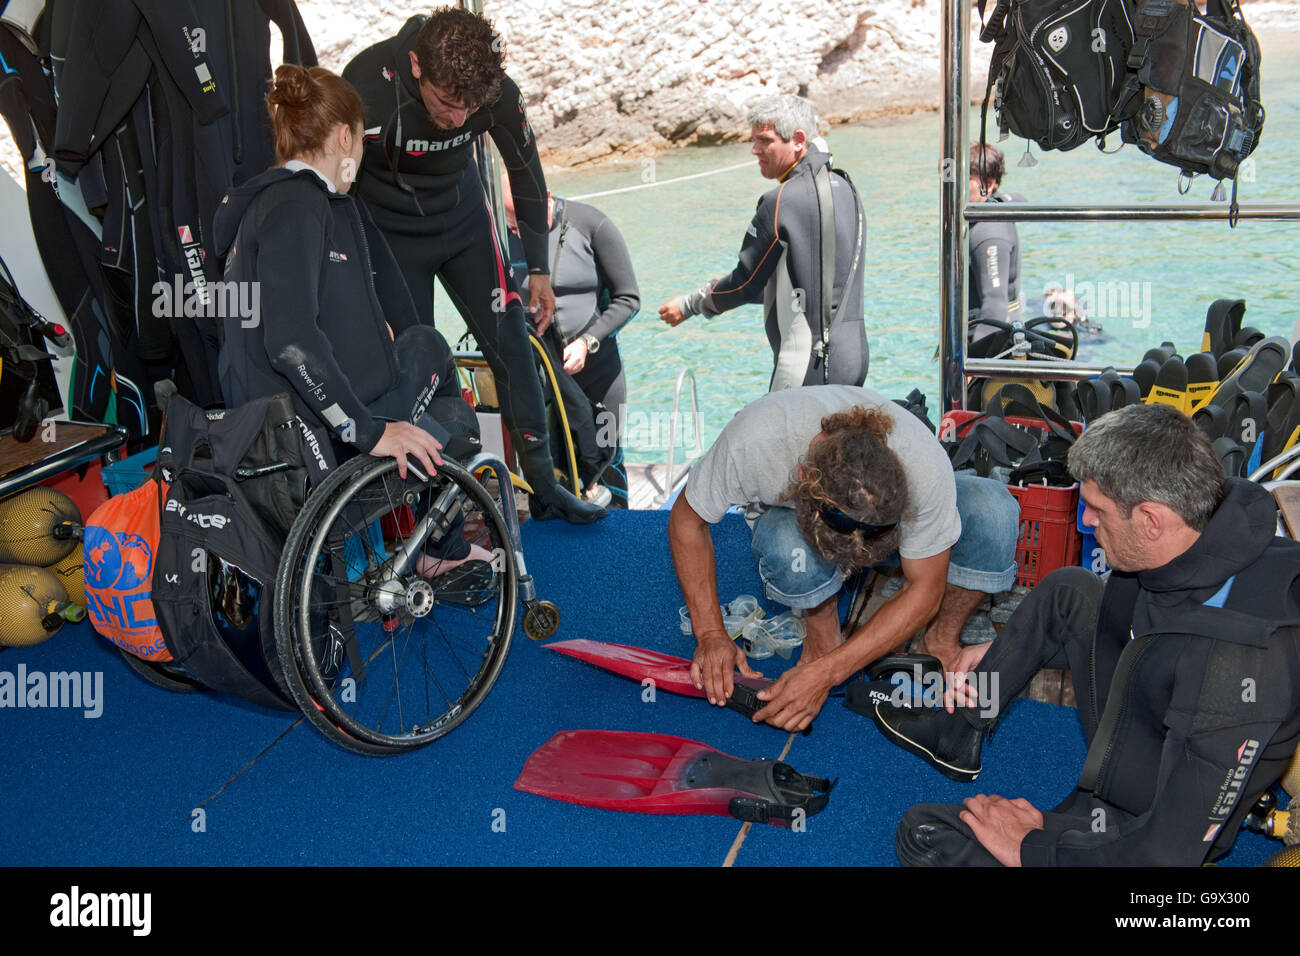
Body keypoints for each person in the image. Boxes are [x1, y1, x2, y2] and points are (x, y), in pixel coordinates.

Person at [874, 403, 1300, 866]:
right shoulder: (1203, 530)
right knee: (1069, 589)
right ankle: (958, 734)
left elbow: (1166, 855)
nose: (1088, 524)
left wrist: (1032, 848)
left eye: (1097, 511)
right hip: (1144, 720)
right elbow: (1145, 638)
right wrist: (1004, 649)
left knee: (924, 836)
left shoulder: (1240, 661)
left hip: (1144, 827)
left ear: (1152, 519)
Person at [214, 64, 487, 579]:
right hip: (313, 457)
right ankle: (440, 548)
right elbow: (291, 342)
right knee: (446, 395)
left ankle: (429, 540)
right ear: (344, 137)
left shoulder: (261, 207)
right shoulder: (299, 205)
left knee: (422, 365)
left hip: (272, 437)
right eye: (361, 142)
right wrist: (367, 430)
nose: (360, 157)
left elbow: (282, 325)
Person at [342, 7, 604, 524]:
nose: (460, 119)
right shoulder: (366, 85)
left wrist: (541, 272)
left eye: (470, 107)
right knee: (416, 368)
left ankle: (546, 486)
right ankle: (429, 515)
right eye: (446, 103)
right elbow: (334, 186)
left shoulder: (495, 91)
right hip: (390, 235)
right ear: (416, 65)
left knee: (513, 345)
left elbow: (527, 173)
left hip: (463, 221)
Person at [668, 385, 1021, 732]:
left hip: (894, 529)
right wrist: (712, 633)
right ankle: (823, 637)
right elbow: (687, 521)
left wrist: (828, 674)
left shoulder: (922, 463)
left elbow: (925, 589)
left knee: (994, 510)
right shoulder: (753, 442)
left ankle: (940, 639)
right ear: (804, 478)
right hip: (794, 527)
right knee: (785, 544)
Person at [658, 95, 868, 392]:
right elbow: (808, 285)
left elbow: (746, 284)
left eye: (765, 141)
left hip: (807, 364)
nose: (754, 150)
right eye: (753, 140)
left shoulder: (781, 201)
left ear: (798, 140)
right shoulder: (845, 186)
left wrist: (690, 303)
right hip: (853, 356)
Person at [503, 182, 639, 508]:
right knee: (556, 474)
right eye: (512, 225)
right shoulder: (500, 236)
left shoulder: (591, 224)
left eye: (526, 221)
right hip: (545, 379)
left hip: (598, 372)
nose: (521, 231)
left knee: (608, 462)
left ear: (546, 197)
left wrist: (587, 342)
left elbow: (629, 299)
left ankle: (619, 539)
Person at [967, 142, 1023, 346]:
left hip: (989, 342)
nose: (953, 187)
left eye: (966, 179)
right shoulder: (989, 211)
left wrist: (976, 369)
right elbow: (1020, 199)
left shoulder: (989, 234)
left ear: (988, 185)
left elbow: (994, 305)